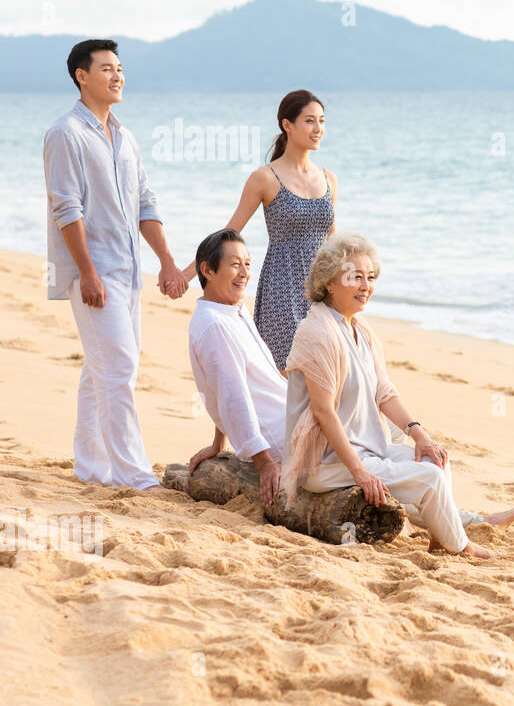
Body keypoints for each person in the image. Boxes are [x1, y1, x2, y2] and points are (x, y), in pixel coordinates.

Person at [281, 232, 514, 558]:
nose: (365, 285)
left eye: (370, 277)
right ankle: (462, 547)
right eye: (355, 277)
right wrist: (359, 472)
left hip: (367, 449)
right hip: (326, 462)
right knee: (431, 481)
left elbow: (384, 392)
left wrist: (419, 434)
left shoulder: (361, 330)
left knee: (435, 459)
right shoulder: (318, 332)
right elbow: (323, 412)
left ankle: (441, 538)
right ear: (329, 282)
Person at [43, 39, 186, 489]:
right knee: (120, 367)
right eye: (106, 68)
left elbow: (144, 200)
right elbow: (66, 209)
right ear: (82, 76)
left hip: (129, 270)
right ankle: (135, 474)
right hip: (94, 272)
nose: (117, 75)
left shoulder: (125, 136)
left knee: (101, 368)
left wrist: (165, 260)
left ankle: (91, 467)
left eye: (119, 68)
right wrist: (86, 272)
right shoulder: (65, 133)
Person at [181, 90, 336, 373]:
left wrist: (350, 286)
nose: (318, 129)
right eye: (310, 121)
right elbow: (229, 233)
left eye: (322, 121)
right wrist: (187, 274)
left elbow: (334, 245)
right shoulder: (265, 178)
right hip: (282, 289)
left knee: (324, 378)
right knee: (283, 378)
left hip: (322, 292)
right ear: (287, 125)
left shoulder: (328, 179)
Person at [186, 228, 286, 509]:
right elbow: (233, 396)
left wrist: (219, 443)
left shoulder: (234, 311)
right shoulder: (215, 326)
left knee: (385, 428)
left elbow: (228, 388)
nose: (244, 273)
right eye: (234, 264)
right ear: (207, 270)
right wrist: (265, 463)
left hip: (292, 417)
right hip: (283, 435)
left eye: (247, 264)